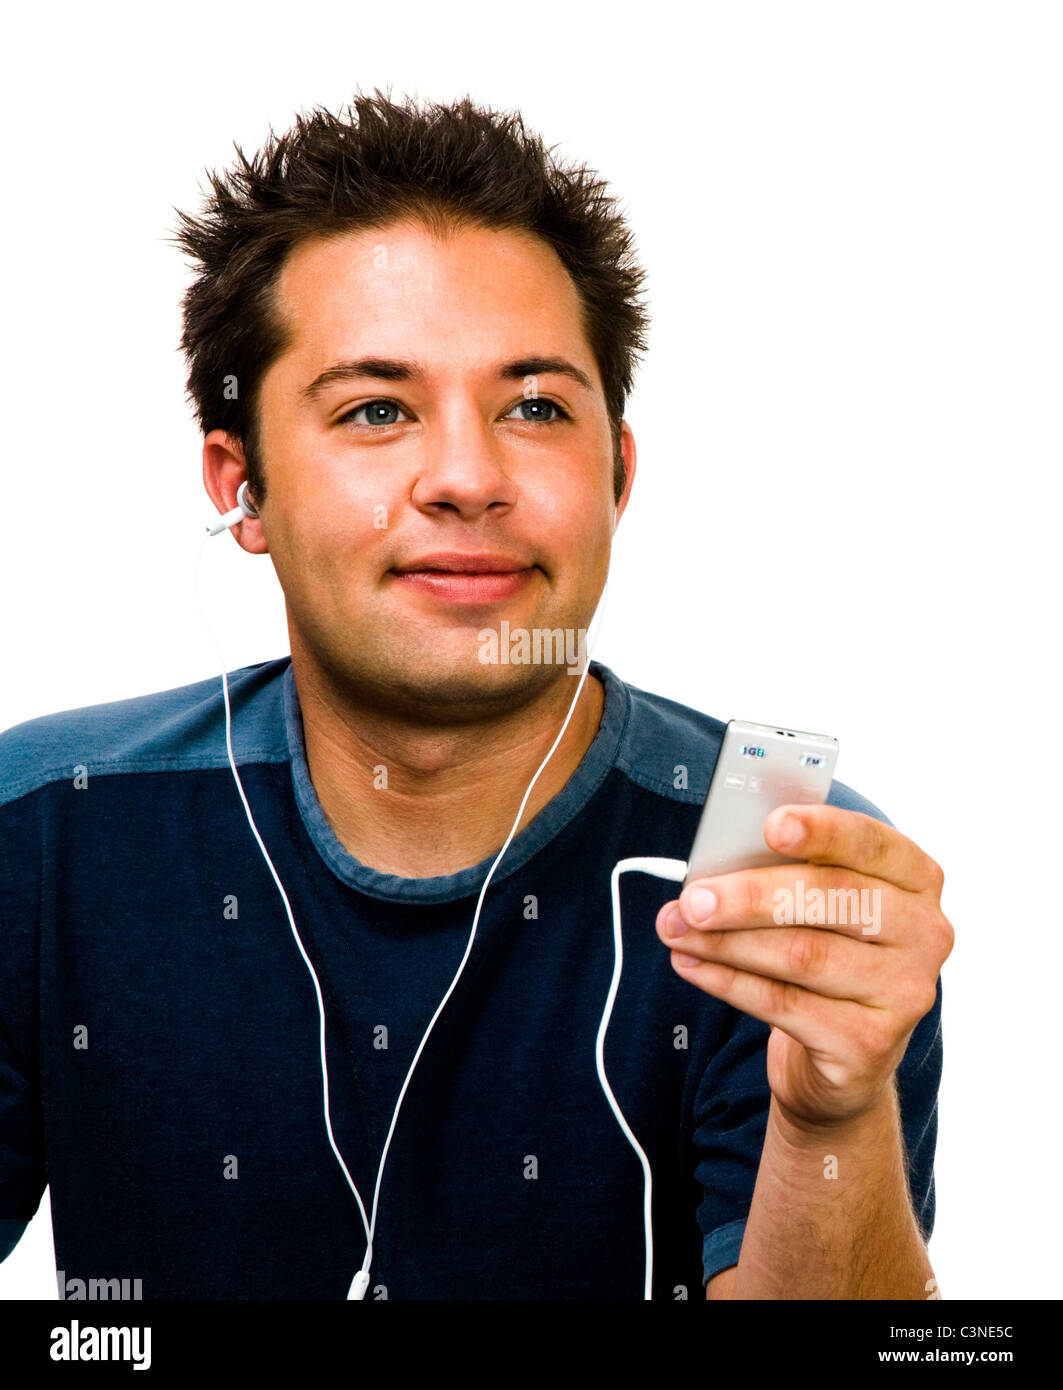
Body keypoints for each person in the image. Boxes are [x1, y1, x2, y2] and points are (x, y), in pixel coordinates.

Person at [0, 89, 952, 1301]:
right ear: (244, 486)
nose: (465, 476)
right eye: (377, 409)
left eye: (536, 406)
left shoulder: (773, 864)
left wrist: (831, 1117)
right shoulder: (46, 826)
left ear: (615, 473)